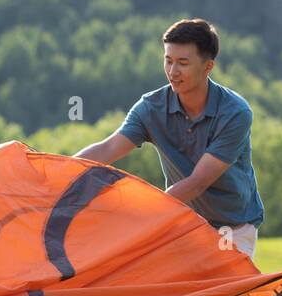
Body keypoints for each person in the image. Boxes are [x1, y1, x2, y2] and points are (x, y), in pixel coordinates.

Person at [75, 18, 264, 258]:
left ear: (208, 67)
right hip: (182, 224)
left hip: (232, 230)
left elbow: (197, 182)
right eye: (168, 60)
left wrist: (144, 215)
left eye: (183, 63)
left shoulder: (235, 112)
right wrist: (60, 173)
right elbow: (108, 149)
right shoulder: (151, 107)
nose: (173, 72)